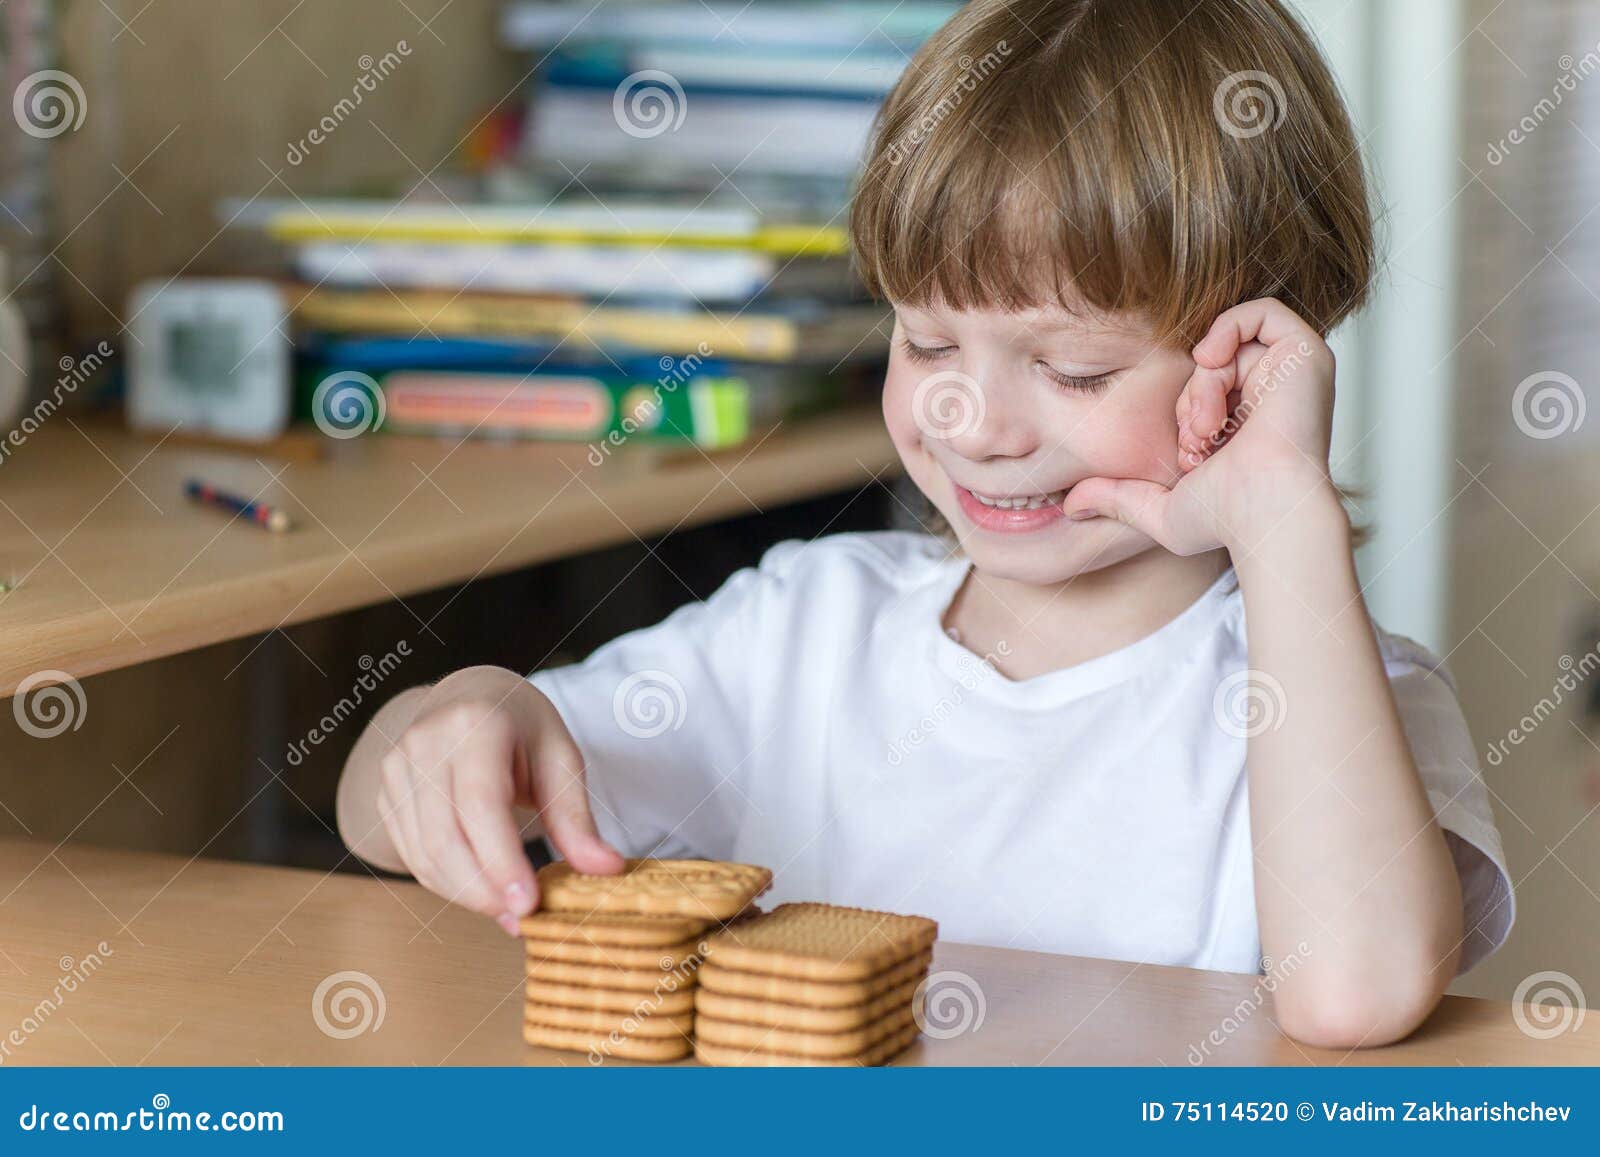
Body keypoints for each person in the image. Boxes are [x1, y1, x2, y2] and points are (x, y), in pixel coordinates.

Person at [337, 0, 1512, 1048]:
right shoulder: (800, 630)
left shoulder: (1338, 697)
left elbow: (1351, 997)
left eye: (1073, 367)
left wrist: (1281, 515)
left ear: (1256, 364)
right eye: (929, 343)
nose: (973, 420)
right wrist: (459, 712)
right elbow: (381, 804)